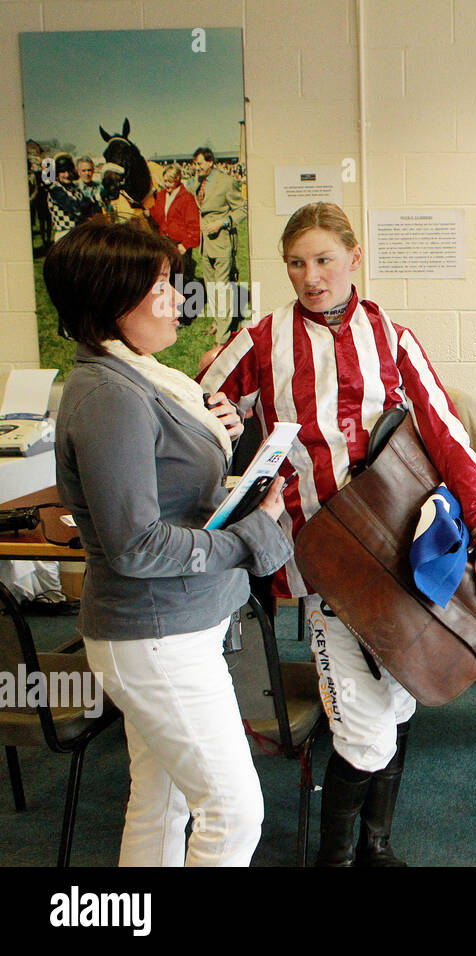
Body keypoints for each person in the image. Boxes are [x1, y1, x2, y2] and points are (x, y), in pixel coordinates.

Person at [199, 202, 476, 866]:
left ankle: (375, 847)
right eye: (295, 263)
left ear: (353, 258)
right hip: (325, 567)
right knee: (366, 732)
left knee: (398, 705)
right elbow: (193, 402)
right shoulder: (261, 339)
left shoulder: (394, 339)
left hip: (398, 551)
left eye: (323, 260)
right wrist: (219, 411)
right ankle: (337, 861)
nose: (310, 277)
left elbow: (447, 437)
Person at [46, 220, 292, 866]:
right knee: (234, 816)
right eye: (160, 287)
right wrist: (248, 537)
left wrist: (220, 435)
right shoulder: (111, 396)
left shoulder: (140, 380)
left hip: (171, 627)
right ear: (112, 299)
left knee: (160, 804)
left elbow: (169, 486)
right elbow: (136, 546)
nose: (178, 300)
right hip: (154, 634)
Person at [187, 147, 248, 339]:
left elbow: (243, 209)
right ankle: (217, 322)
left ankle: (222, 336)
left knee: (222, 287)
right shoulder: (196, 183)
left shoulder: (226, 182)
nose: (197, 168)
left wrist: (222, 223)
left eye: (200, 163)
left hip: (222, 242)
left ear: (210, 162)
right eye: (195, 164)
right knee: (211, 286)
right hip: (205, 245)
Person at [150, 164, 202, 322]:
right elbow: (158, 216)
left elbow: (193, 224)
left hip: (180, 245)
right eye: (165, 181)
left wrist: (185, 245)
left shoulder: (187, 198)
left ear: (178, 180)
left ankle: (184, 316)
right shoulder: (161, 195)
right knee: (166, 278)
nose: (167, 185)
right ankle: (168, 312)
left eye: (170, 182)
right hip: (165, 242)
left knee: (180, 280)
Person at [46, 154, 95, 242]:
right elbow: (75, 208)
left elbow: (90, 207)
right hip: (64, 234)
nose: (67, 175)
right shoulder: (55, 190)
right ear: (57, 173)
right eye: (63, 172)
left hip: (79, 233)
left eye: (69, 171)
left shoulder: (75, 188)